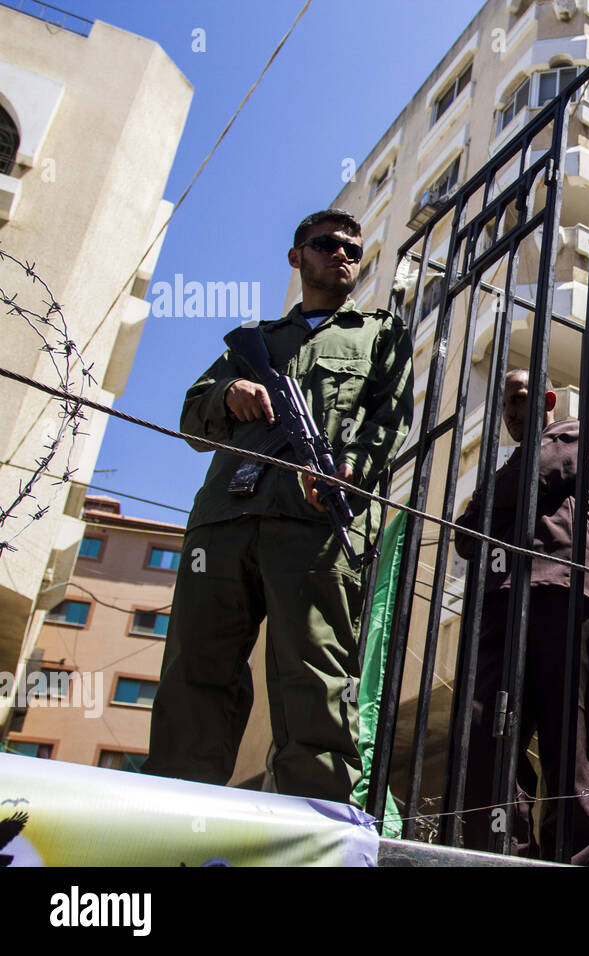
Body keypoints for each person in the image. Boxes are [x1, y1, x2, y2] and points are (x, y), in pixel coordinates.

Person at [142, 209, 414, 806]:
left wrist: (349, 471)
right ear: (297, 258)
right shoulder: (255, 341)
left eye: (353, 248)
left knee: (314, 680)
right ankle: (170, 817)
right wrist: (229, 392)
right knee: (197, 674)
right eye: (327, 244)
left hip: (316, 526)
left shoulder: (380, 334)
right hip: (225, 521)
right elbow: (192, 418)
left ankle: (309, 822)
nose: (343, 255)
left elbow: (390, 421)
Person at [454, 369, 589, 865]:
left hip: (568, 598)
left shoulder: (572, 434)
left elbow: (535, 477)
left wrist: (486, 502)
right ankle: (507, 855)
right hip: (506, 605)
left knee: (574, 751)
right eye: (506, 404)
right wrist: (491, 505)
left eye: (522, 398)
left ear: (546, 398)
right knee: (486, 737)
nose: (514, 410)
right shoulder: (514, 464)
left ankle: (577, 859)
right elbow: (462, 537)